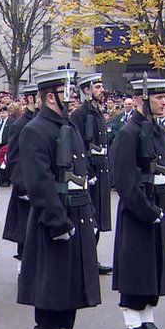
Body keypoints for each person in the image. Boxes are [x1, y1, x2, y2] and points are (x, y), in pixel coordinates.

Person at [17, 68, 100, 329]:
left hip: (75, 213)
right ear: (51, 96)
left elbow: (81, 176)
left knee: (69, 288)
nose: (75, 97)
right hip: (53, 221)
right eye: (68, 91)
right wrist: (57, 221)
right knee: (51, 290)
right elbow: (40, 183)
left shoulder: (70, 127)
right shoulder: (35, 130)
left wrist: (88, 215)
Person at [110, 76, 165, 329]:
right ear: (142, 99)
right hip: (139, 210)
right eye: (159, 97)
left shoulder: (159, 130)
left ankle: (147, 320)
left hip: (159, 205)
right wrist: (147, 211)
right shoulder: (128, 133)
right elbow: (125, 181)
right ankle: (133, 325)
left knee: (153, 268)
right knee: (135, 270)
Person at [70, 74, 113, 276]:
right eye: (97, 86)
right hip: (91, 171)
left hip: (102, 169)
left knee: (98, 218)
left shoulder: (98, 113)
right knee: (89, 219)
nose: (101, 89)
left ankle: (91, 258)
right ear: (86, 91)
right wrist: (87, 171)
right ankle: (85, 259)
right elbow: (78, 146)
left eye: (101, 85)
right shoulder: (80, 115)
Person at [2, 85, 37, 270]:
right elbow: (13, 159)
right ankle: (22, 267)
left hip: (40, 184)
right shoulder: (19, 125)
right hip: (26, 187)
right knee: (25, 230)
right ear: (30, 99)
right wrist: (22, 187)